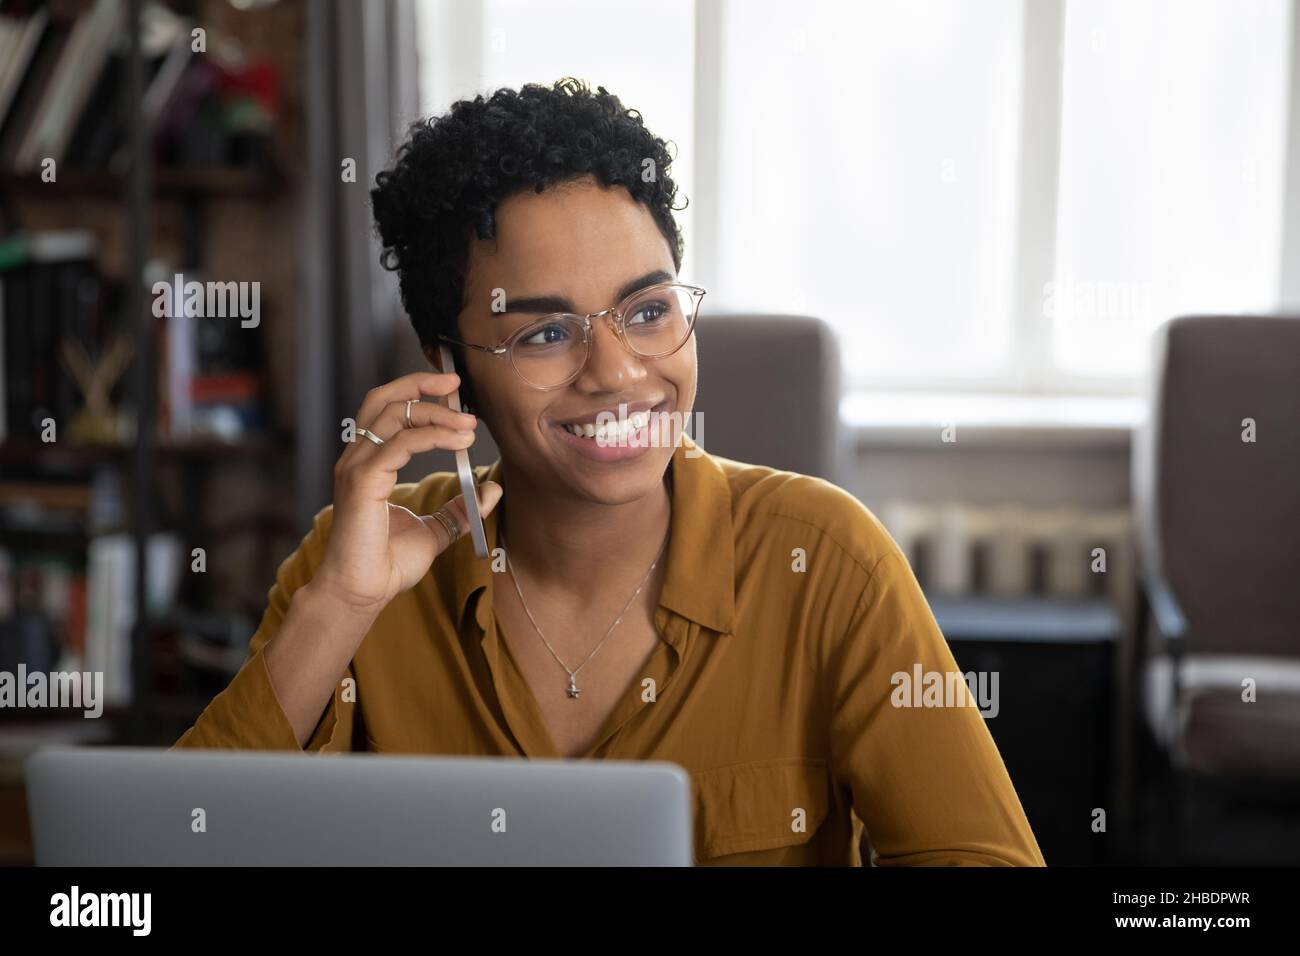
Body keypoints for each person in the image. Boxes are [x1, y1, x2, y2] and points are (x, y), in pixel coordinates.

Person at [175, 78, 1045, 867]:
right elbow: (169, 858)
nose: (620, 371)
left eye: (648, 310)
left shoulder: (829, 562)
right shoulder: (354, 569)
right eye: (545, 333)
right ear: (450, 362)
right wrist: (340, 609)